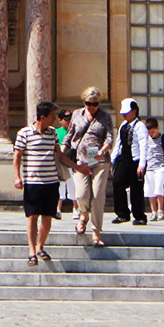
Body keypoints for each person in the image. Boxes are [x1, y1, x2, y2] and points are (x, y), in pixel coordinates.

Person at [14, 101, 68, 264]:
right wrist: (17, 176)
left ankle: (40, 247)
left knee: (47, 216)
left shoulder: (52, 134)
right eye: (52, 116)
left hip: (51, 181)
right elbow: (17, 156)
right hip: (33, 182)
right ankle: (31, 250)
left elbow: (60, 155)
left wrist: (77, 167)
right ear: (43, 117)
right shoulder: (24, 133)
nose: (54, 119)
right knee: (32, 216)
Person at [66, 88, 111, 247]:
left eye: (95, 104)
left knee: (98, 195)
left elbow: (110, 137)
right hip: (81, 160)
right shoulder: (77, 114)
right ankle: (83, 214)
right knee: (82, 193)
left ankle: (96, 231)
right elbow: (70, 135)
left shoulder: (105, 116)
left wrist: (102, 150)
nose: (92, 107)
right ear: (83, 102)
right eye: (88, 103)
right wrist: (62, 150)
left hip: (99, 160)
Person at [110, 96, 150, 227]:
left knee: (136, 189)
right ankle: (122, 213)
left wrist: (142, 164)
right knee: (118, 184)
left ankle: (139, 216)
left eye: (127, 112)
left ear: (134, 111)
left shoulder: (140, 126)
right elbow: (118, 142)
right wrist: (113, 158)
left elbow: (144, 145)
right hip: (123, 159)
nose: (124, 115)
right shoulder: (123, 125)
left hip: (135, 160)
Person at [143, 115, 164, 221]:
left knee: (159, 187)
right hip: (149, 168)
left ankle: (160, 209)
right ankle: (153, 211)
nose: (151, 134)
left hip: (160, 166)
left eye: (153, 132)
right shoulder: (146, 140)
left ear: (157, 129)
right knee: (150, 189)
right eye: (149, 132)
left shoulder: (163, 138)